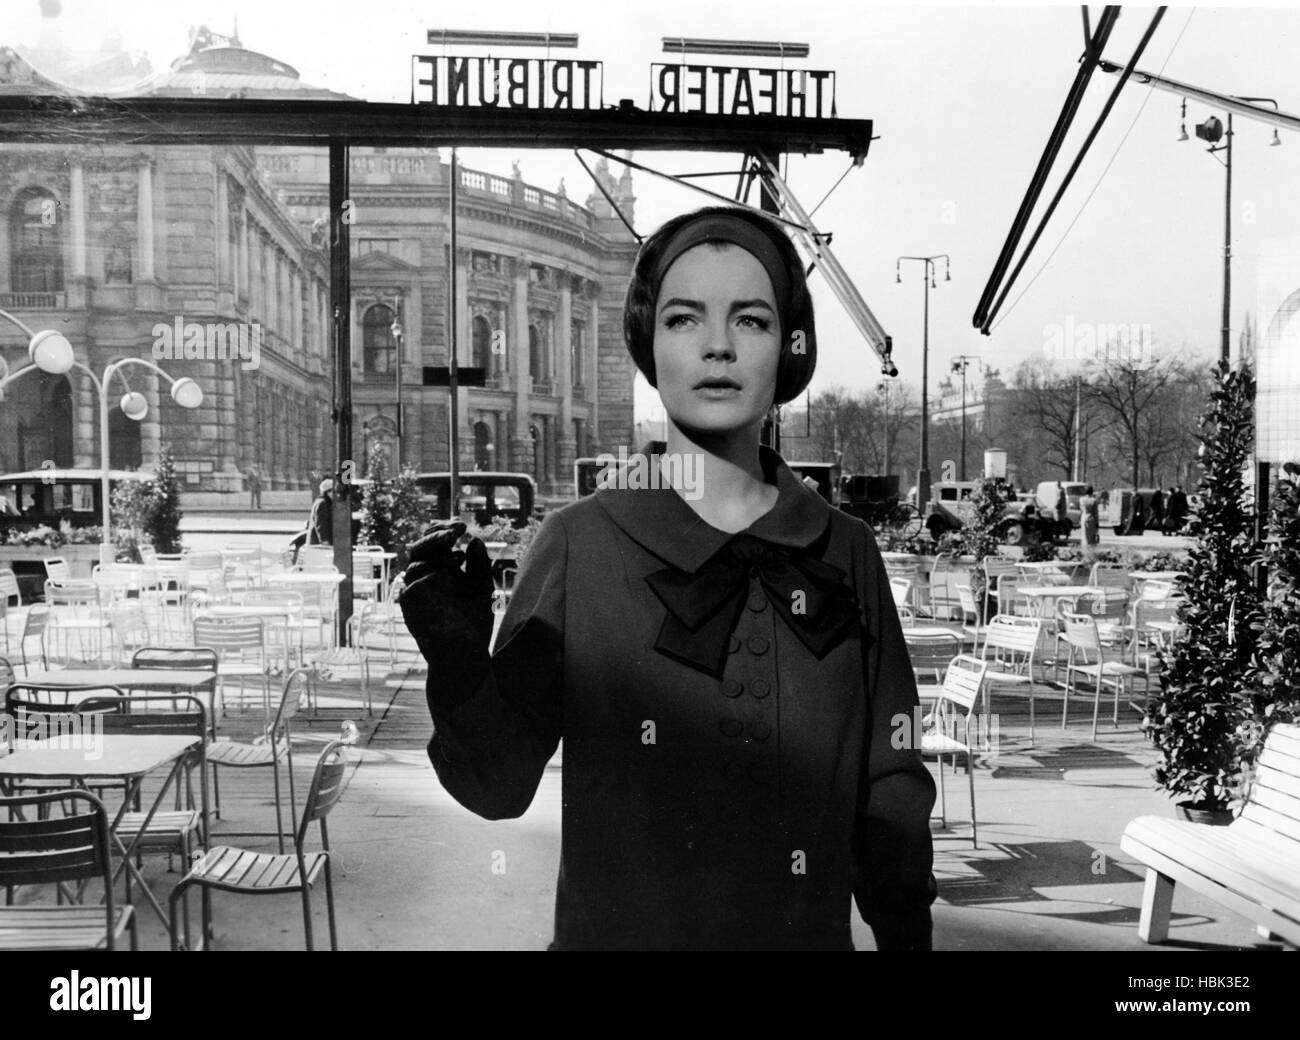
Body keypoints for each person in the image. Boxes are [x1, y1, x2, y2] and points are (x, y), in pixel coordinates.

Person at [399, 205, 938, 951]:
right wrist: (458, 664)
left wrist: (908, 934)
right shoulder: (578, 545)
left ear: (790, 348)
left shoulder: (846, 551)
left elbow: (891, 786)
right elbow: (498, 786)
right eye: (684, 319)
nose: (718, 345)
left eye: (751, 320)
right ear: (647, 345)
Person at [308, 478, 333, 546]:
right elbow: (321, 524)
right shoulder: (322, 504)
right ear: (328, 492)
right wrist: (324, 541)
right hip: (321, 543)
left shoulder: (324, 502)